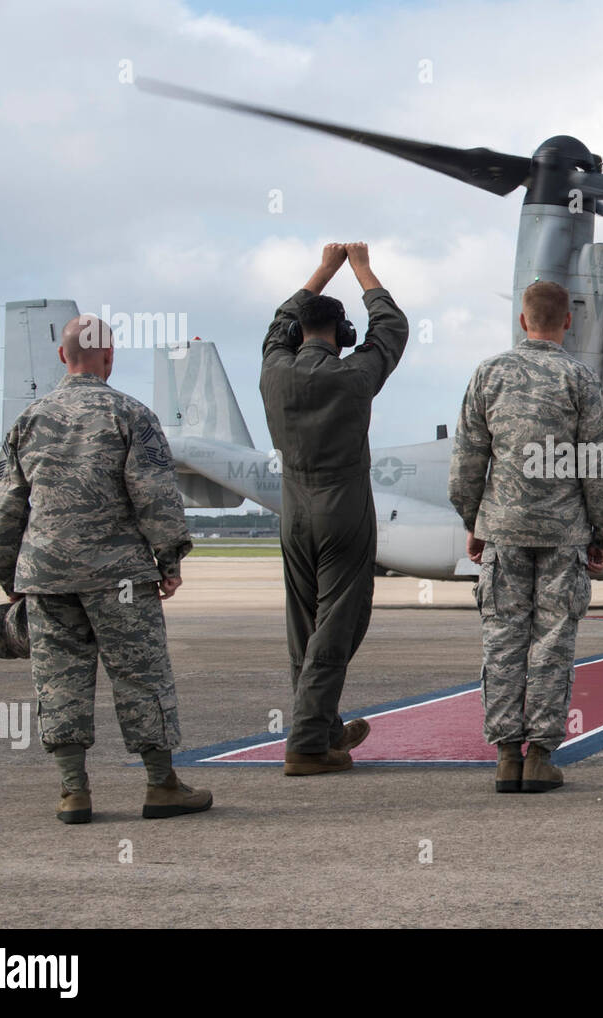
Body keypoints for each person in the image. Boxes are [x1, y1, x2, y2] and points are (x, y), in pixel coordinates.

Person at [0, 314, 210, 824]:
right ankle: (161, 786)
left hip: (46, 576)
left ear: (63, 357)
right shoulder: (132, 414)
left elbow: (2, 509)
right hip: (120, 577)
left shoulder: (28, 421)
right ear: (110, 357)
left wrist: (9, 577)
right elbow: (153, 494)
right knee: (141, 675)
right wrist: (168, 558)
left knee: (58, 679)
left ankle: (74, 792)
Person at [449, 280, 603, 794]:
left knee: (503, 641)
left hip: (502, 531)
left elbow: (467, 461)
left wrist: (472, 522)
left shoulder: (488, 375)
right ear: (568, 322)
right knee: (551, 643)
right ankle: (540, 757)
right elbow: (598, 469)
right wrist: (602, 532)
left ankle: (506, 756)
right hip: (563, 536)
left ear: (523, 321)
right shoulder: (580, 379)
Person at [260, 241, 409, 776]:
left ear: (299, 332)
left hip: (293, 511)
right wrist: (363, 270)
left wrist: (323, 270)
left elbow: (281, 323)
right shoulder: (353, 376)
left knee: (304, 624)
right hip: (343, 509)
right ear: (343, 337)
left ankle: (322, 728)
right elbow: (391, 330)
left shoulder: (274, 370)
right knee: (338, 624)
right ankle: (305, 741)